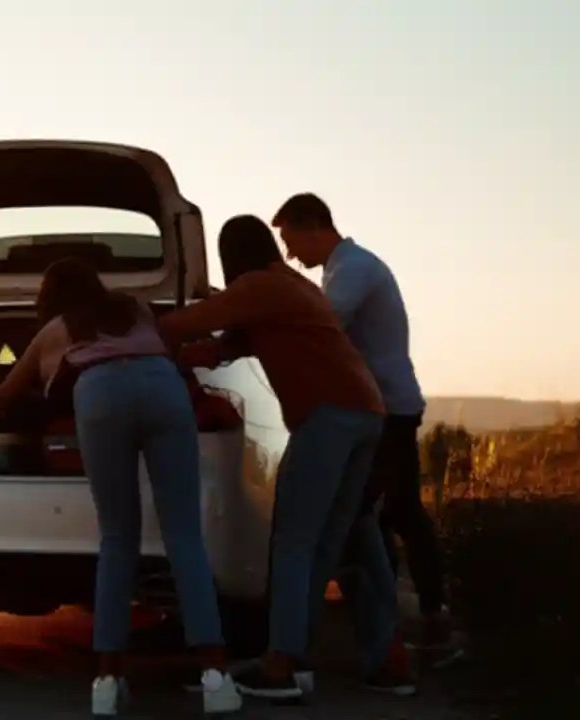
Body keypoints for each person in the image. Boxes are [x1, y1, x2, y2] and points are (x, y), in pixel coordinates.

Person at [159, 215, 415, 700]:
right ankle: (327, 659)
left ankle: (282, 666)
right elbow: (221, 347)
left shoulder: (260, 286)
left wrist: (126, 329)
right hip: (365, 414)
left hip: (328, 416)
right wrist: (185, 356)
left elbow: (184, 323)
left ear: (231, 253)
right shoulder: (292, 288)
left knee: (294, 541)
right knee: (339, 539)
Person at [0, 259, 242, 716]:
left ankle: (106, 682)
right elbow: (171, 349)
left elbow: (6, 394)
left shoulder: (58, 328)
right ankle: (216, 677)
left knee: (118, 538)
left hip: (99, 395)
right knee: (183, 536)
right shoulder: (134, 309)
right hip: (162, 389)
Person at [271, 193, 454, 656]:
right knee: (391, 513)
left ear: (314, 226)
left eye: (292, 242)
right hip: (389, 405)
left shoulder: (351, 271)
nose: (292, 255)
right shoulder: (346, 268)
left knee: (371, 515)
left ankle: (403, 626)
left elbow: (321, 326)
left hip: (386, 408)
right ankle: (417, 621)